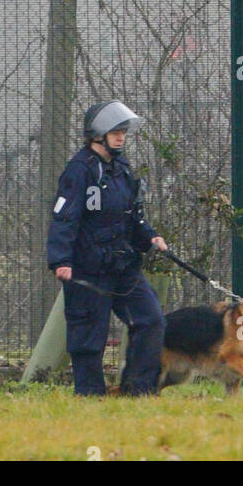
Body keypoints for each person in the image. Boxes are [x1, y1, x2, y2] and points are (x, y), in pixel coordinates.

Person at [47, 100, 168, 396]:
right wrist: (61, 260)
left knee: (150, 319)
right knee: (89, 336)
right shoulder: (80, 171)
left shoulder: (121, 168)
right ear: (97, 135)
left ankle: (138, 390)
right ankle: (89, 396)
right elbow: (64, 217)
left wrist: (150, 238)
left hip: (123, 266)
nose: (121, 137)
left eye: (123, 132)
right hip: (88, 269)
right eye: (115, 131)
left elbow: (133, 215)